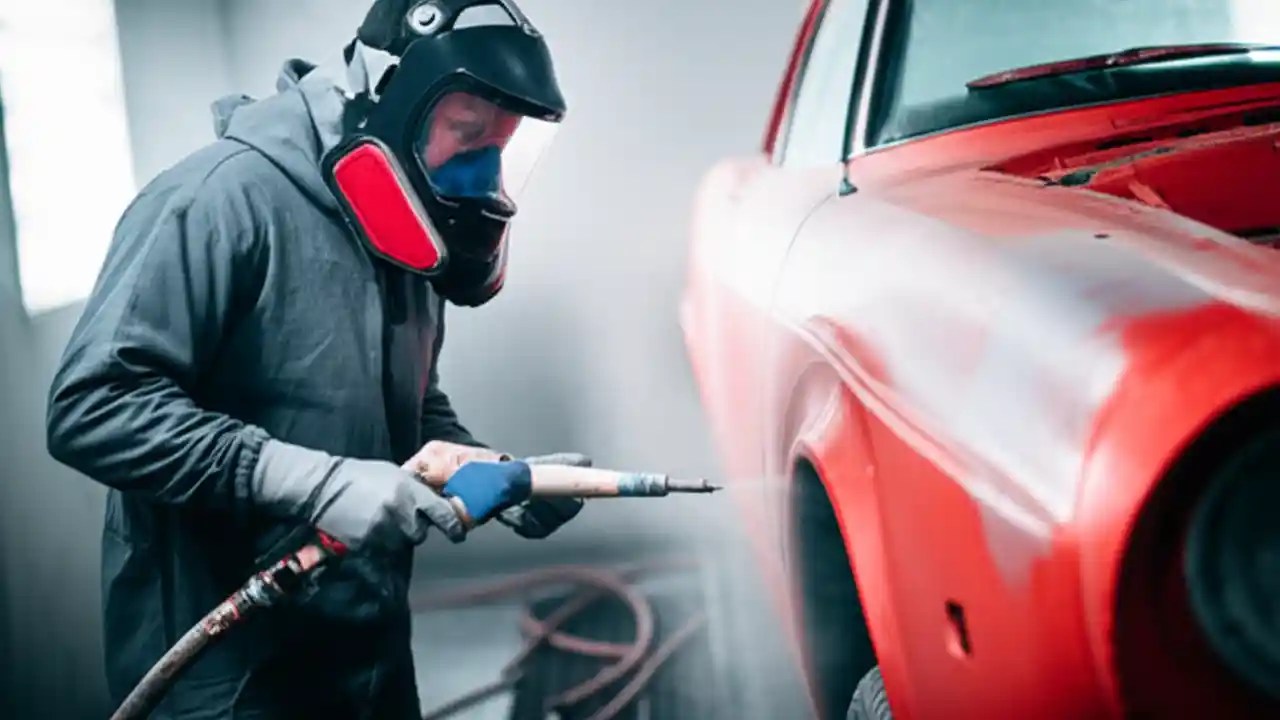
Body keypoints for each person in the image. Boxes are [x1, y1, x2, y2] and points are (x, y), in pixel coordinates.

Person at [44, 1, 579, 717]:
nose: (484, 166)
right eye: (469, 133)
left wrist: (491, 472)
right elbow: (95, 406)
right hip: (228, 680)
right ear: (393, 97)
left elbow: (408, 404)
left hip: (367, 653)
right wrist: (312, 482)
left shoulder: (408, 220)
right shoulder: (216, 201)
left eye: (502, 143)